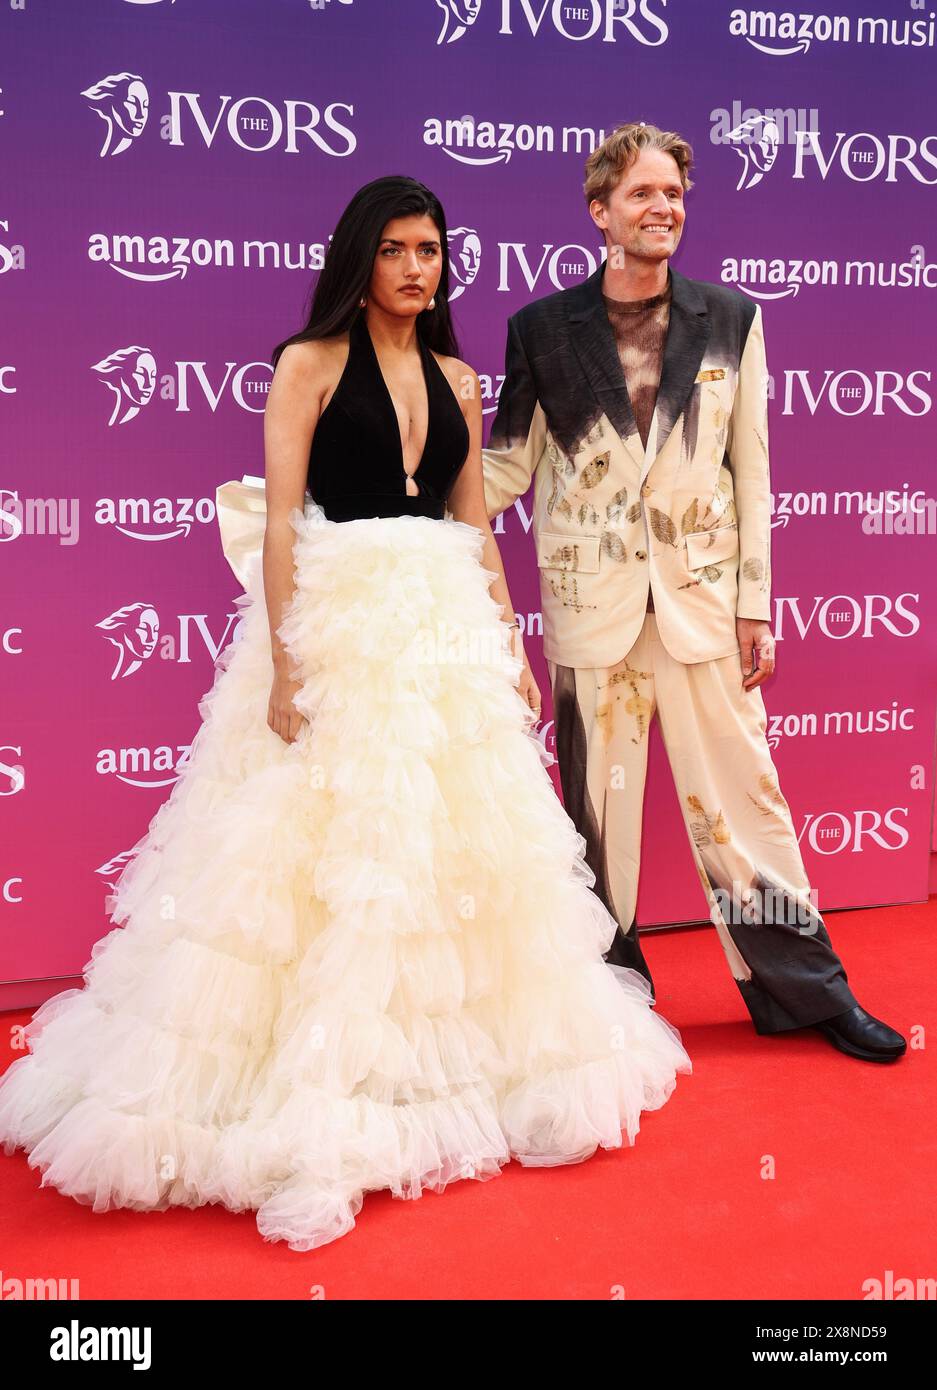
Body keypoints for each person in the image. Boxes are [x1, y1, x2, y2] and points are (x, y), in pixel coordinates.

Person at [0, 176, 691, 1254]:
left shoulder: (462, 378)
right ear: (360, 259)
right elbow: (281, 520)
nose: (419, 268)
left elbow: (473, 523)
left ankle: (446, 1076)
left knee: (450, 853)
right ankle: (306, 1090)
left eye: (432, 250)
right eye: (398, 249)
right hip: (339, 627)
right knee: (319, 854)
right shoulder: (307, 365)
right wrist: (283, 664)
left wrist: (503, 640)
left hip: (444, 631)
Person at [481, 123, 906, 1063]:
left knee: (746, 802)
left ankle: (805, 995)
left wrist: (756, 602)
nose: (661, 208)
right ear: (599, 212)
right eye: (640, 194)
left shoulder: (733, 318)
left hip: (704, 607)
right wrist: (392, 495)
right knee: (601, 824)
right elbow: (504, 473)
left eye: (672, 193)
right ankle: (604, 1010)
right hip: (594, 616)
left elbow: (749, 472)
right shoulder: (540, 332)